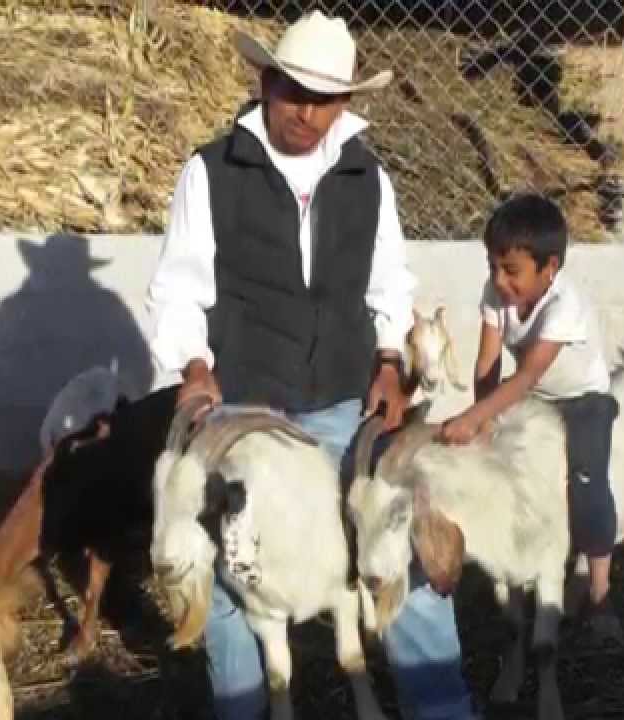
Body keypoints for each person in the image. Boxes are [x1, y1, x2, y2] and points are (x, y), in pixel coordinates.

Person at [144, 11, 476, 720]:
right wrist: (195, 368)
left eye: (323, 98)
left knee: (393, 531)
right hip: (242, 405)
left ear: (346, 102)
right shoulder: (211, 172)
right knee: (232, 558)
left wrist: (390, 359)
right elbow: (179, 287)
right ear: (265, 80)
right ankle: (241, 709)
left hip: (338, 396)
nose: (305, 110)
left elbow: (389, 283)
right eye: (292, 90)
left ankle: (442, 708)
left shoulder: (366, 175)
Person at [438, 193, 624, 644]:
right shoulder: (494, 294)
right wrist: (483, 421)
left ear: (550, 268)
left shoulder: (566, 305)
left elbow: (526, 374)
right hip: (530, 400)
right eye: (493, 267)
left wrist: (474, 416)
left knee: (587, 482)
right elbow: (488, 366)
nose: (500, 281)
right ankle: (514, 570)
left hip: (581, 400)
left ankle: (599, 592)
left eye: (512, 272)